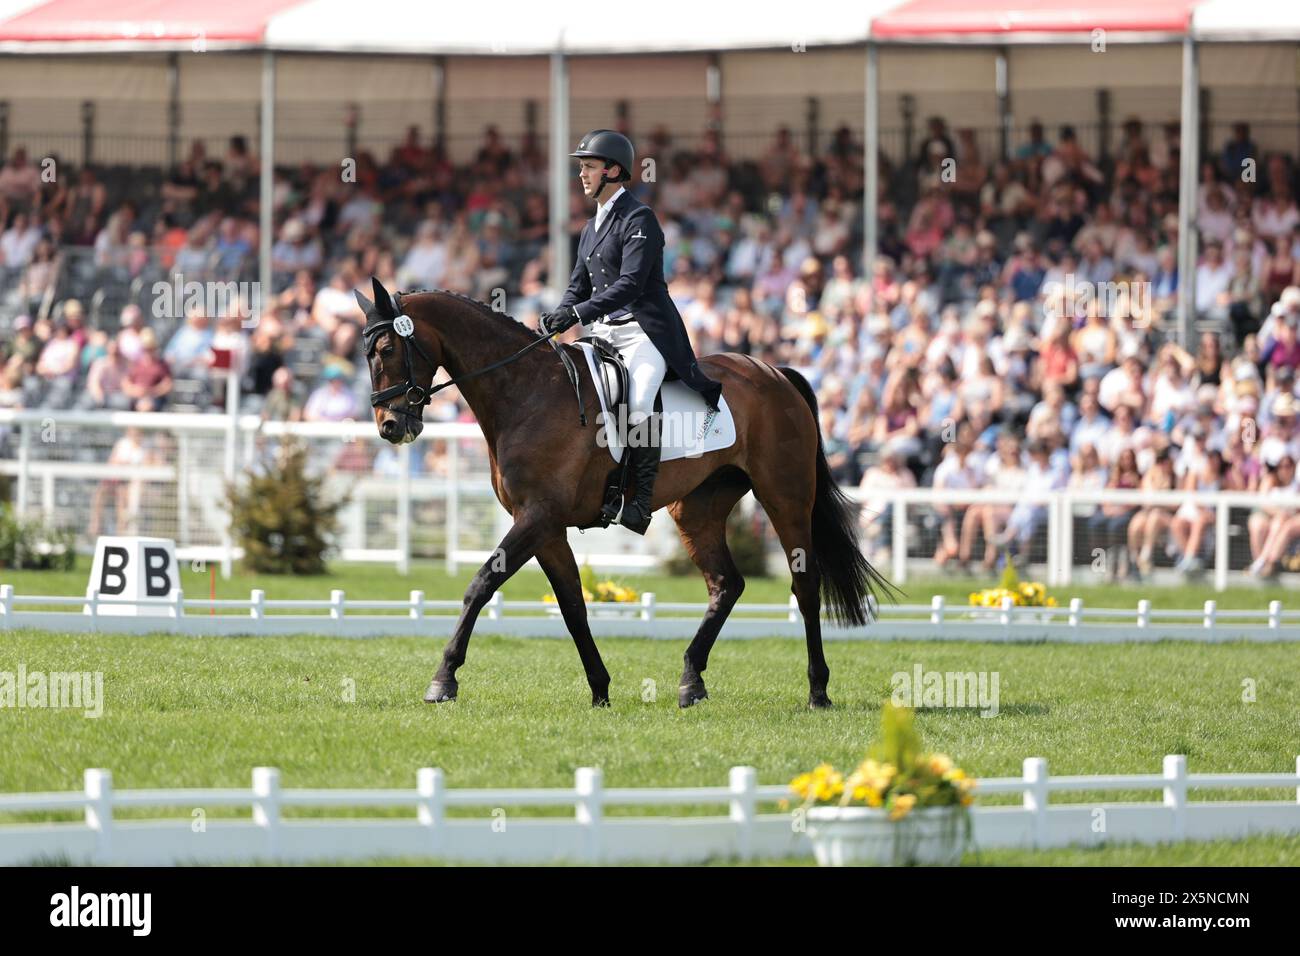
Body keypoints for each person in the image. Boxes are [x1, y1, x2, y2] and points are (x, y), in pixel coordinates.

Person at [539, 129, 722, 535]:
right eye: (581, 167)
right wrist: (561, 313)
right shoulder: (591, 227)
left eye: (588, 167)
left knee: (637, 403)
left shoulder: (639, 219)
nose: (582, 174)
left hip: (644, 333)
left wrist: (578, 312)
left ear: (613, 171)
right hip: (603, 335)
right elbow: (578, 283)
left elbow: (631, 284)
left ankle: (639, 501)